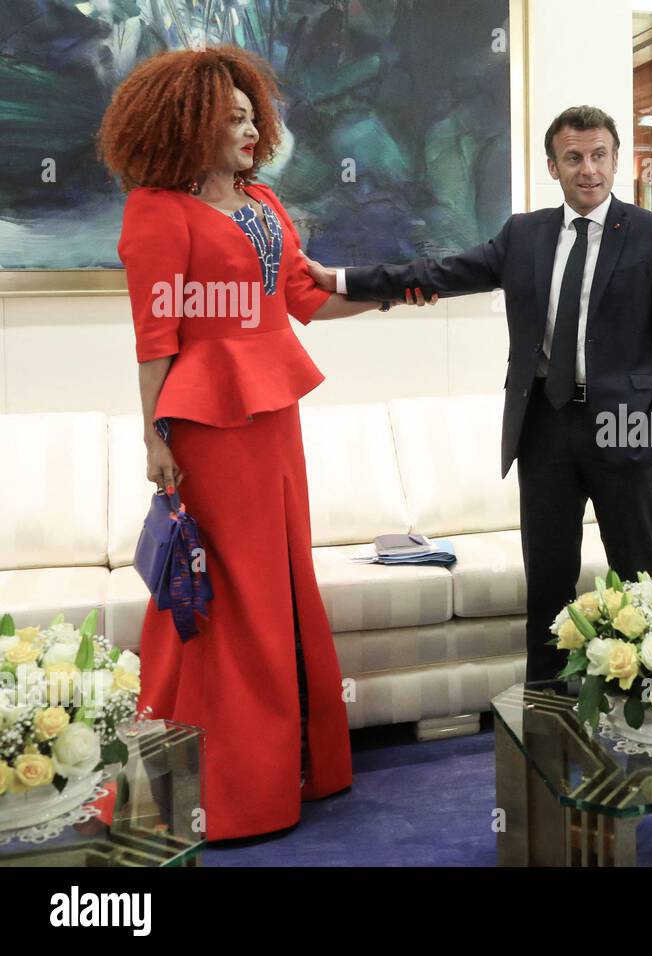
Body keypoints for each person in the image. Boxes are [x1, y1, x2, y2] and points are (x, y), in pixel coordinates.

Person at [99, 46, 407, 840]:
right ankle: (222, 794)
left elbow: (304, 295)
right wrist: (153, 435)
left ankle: (294, 767)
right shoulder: (156, 212)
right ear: (188, 124)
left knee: (280, 582)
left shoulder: (264, 201)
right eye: (228, 117)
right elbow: (155, 337)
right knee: (224, 600)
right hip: (208, 430)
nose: (247, 128)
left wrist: (396, 289)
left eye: (249, 115)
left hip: (274, 422)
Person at [303, 106, 652, 682]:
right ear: (552, 166)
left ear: (616, 161)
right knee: (547, 588)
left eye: (598, 156)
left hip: (626, 429)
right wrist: (344, 279)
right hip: (545, 428)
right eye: (573, 158)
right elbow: (440, 273)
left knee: (640, 581)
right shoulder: (524, 235)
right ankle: (547, 712)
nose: (587, 169)